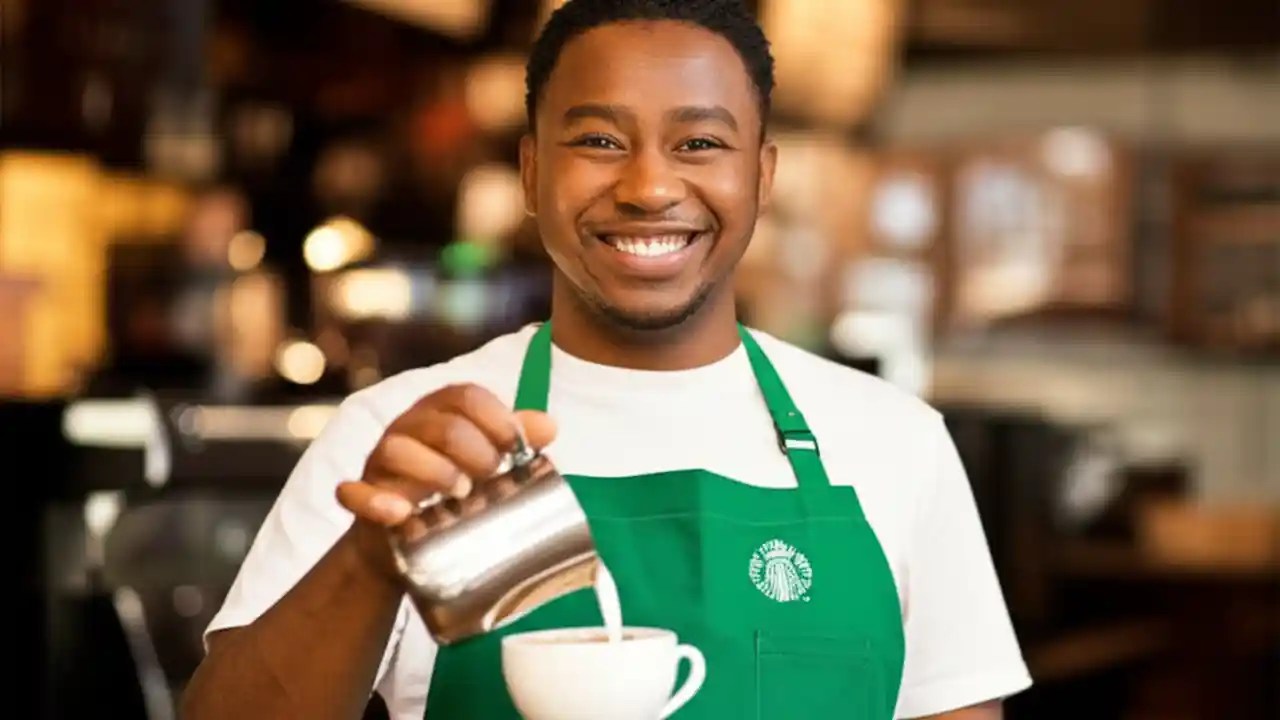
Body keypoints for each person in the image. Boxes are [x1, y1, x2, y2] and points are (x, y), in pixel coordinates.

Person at [182, 1, 1033, 718]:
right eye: (597, 141)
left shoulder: (895, 443)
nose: (649, 187)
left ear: (762, 177)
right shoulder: (405, 440)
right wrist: (373, 558)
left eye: (700, 144)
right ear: (530, 170)